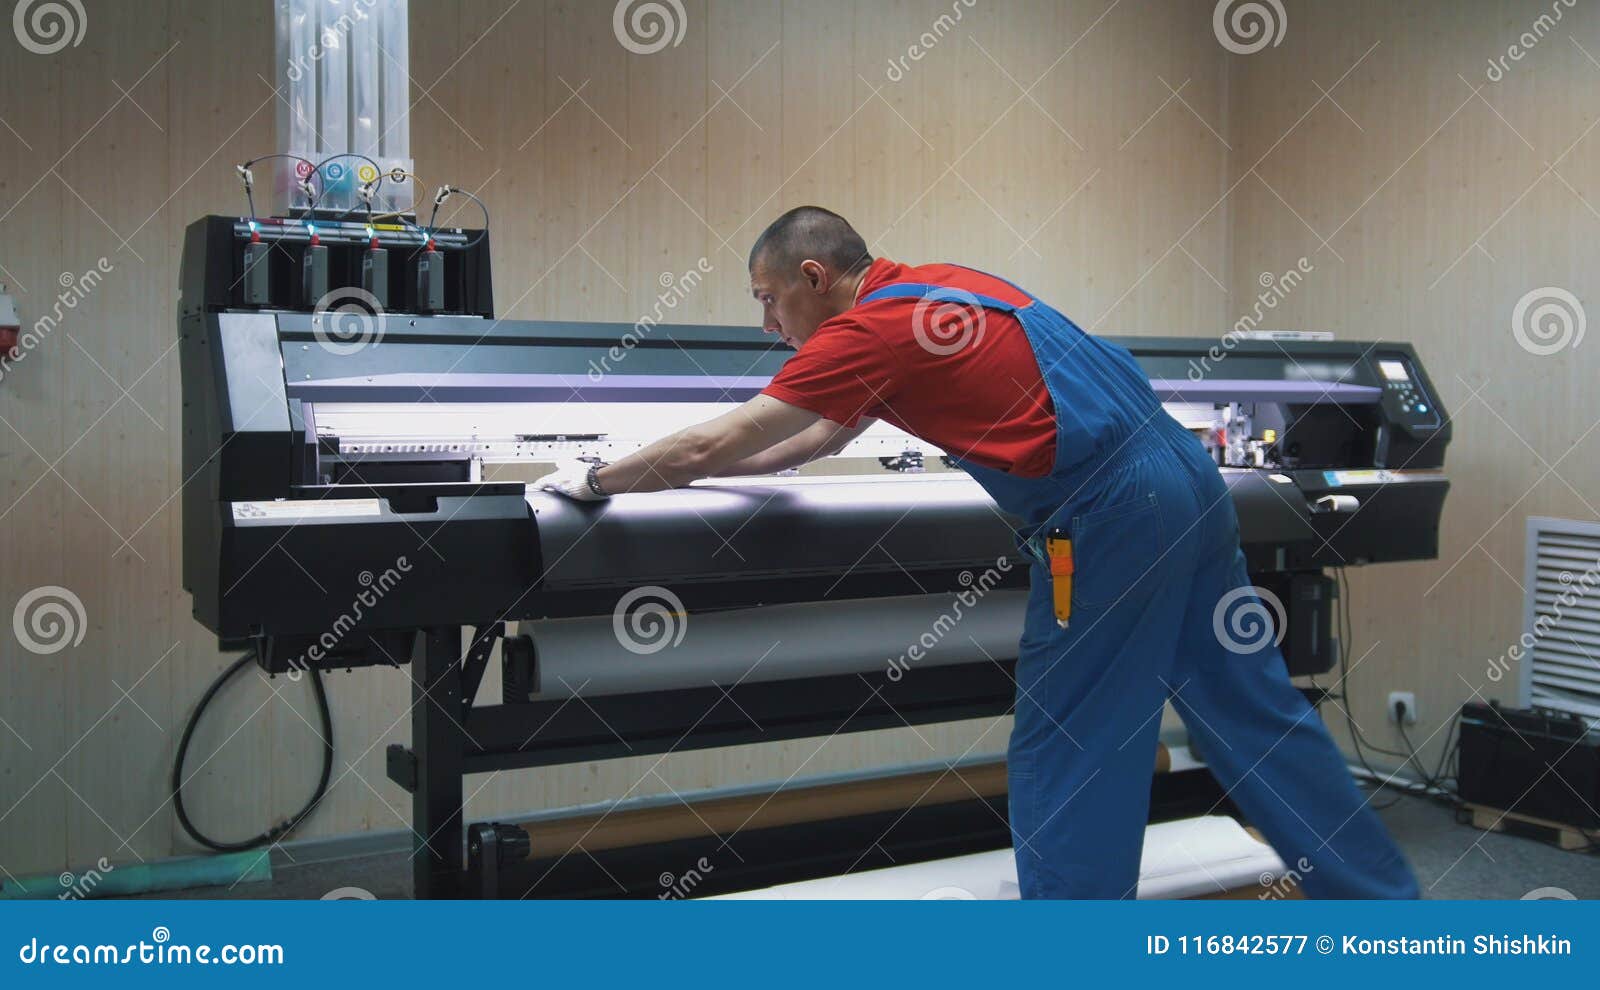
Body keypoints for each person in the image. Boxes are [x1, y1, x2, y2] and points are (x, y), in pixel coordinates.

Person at [539, 206, 1420, 899]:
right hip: (1187, 483)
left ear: (814, 276)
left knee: (1074, 740)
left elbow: (713, 441)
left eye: (769, 299)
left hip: (1109, 516)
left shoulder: (863, 332)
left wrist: (597, 479)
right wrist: (687, 480)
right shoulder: (936, 287)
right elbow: (810, 441)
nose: (770, 323)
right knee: (1255, 712)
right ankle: (1381, 907)